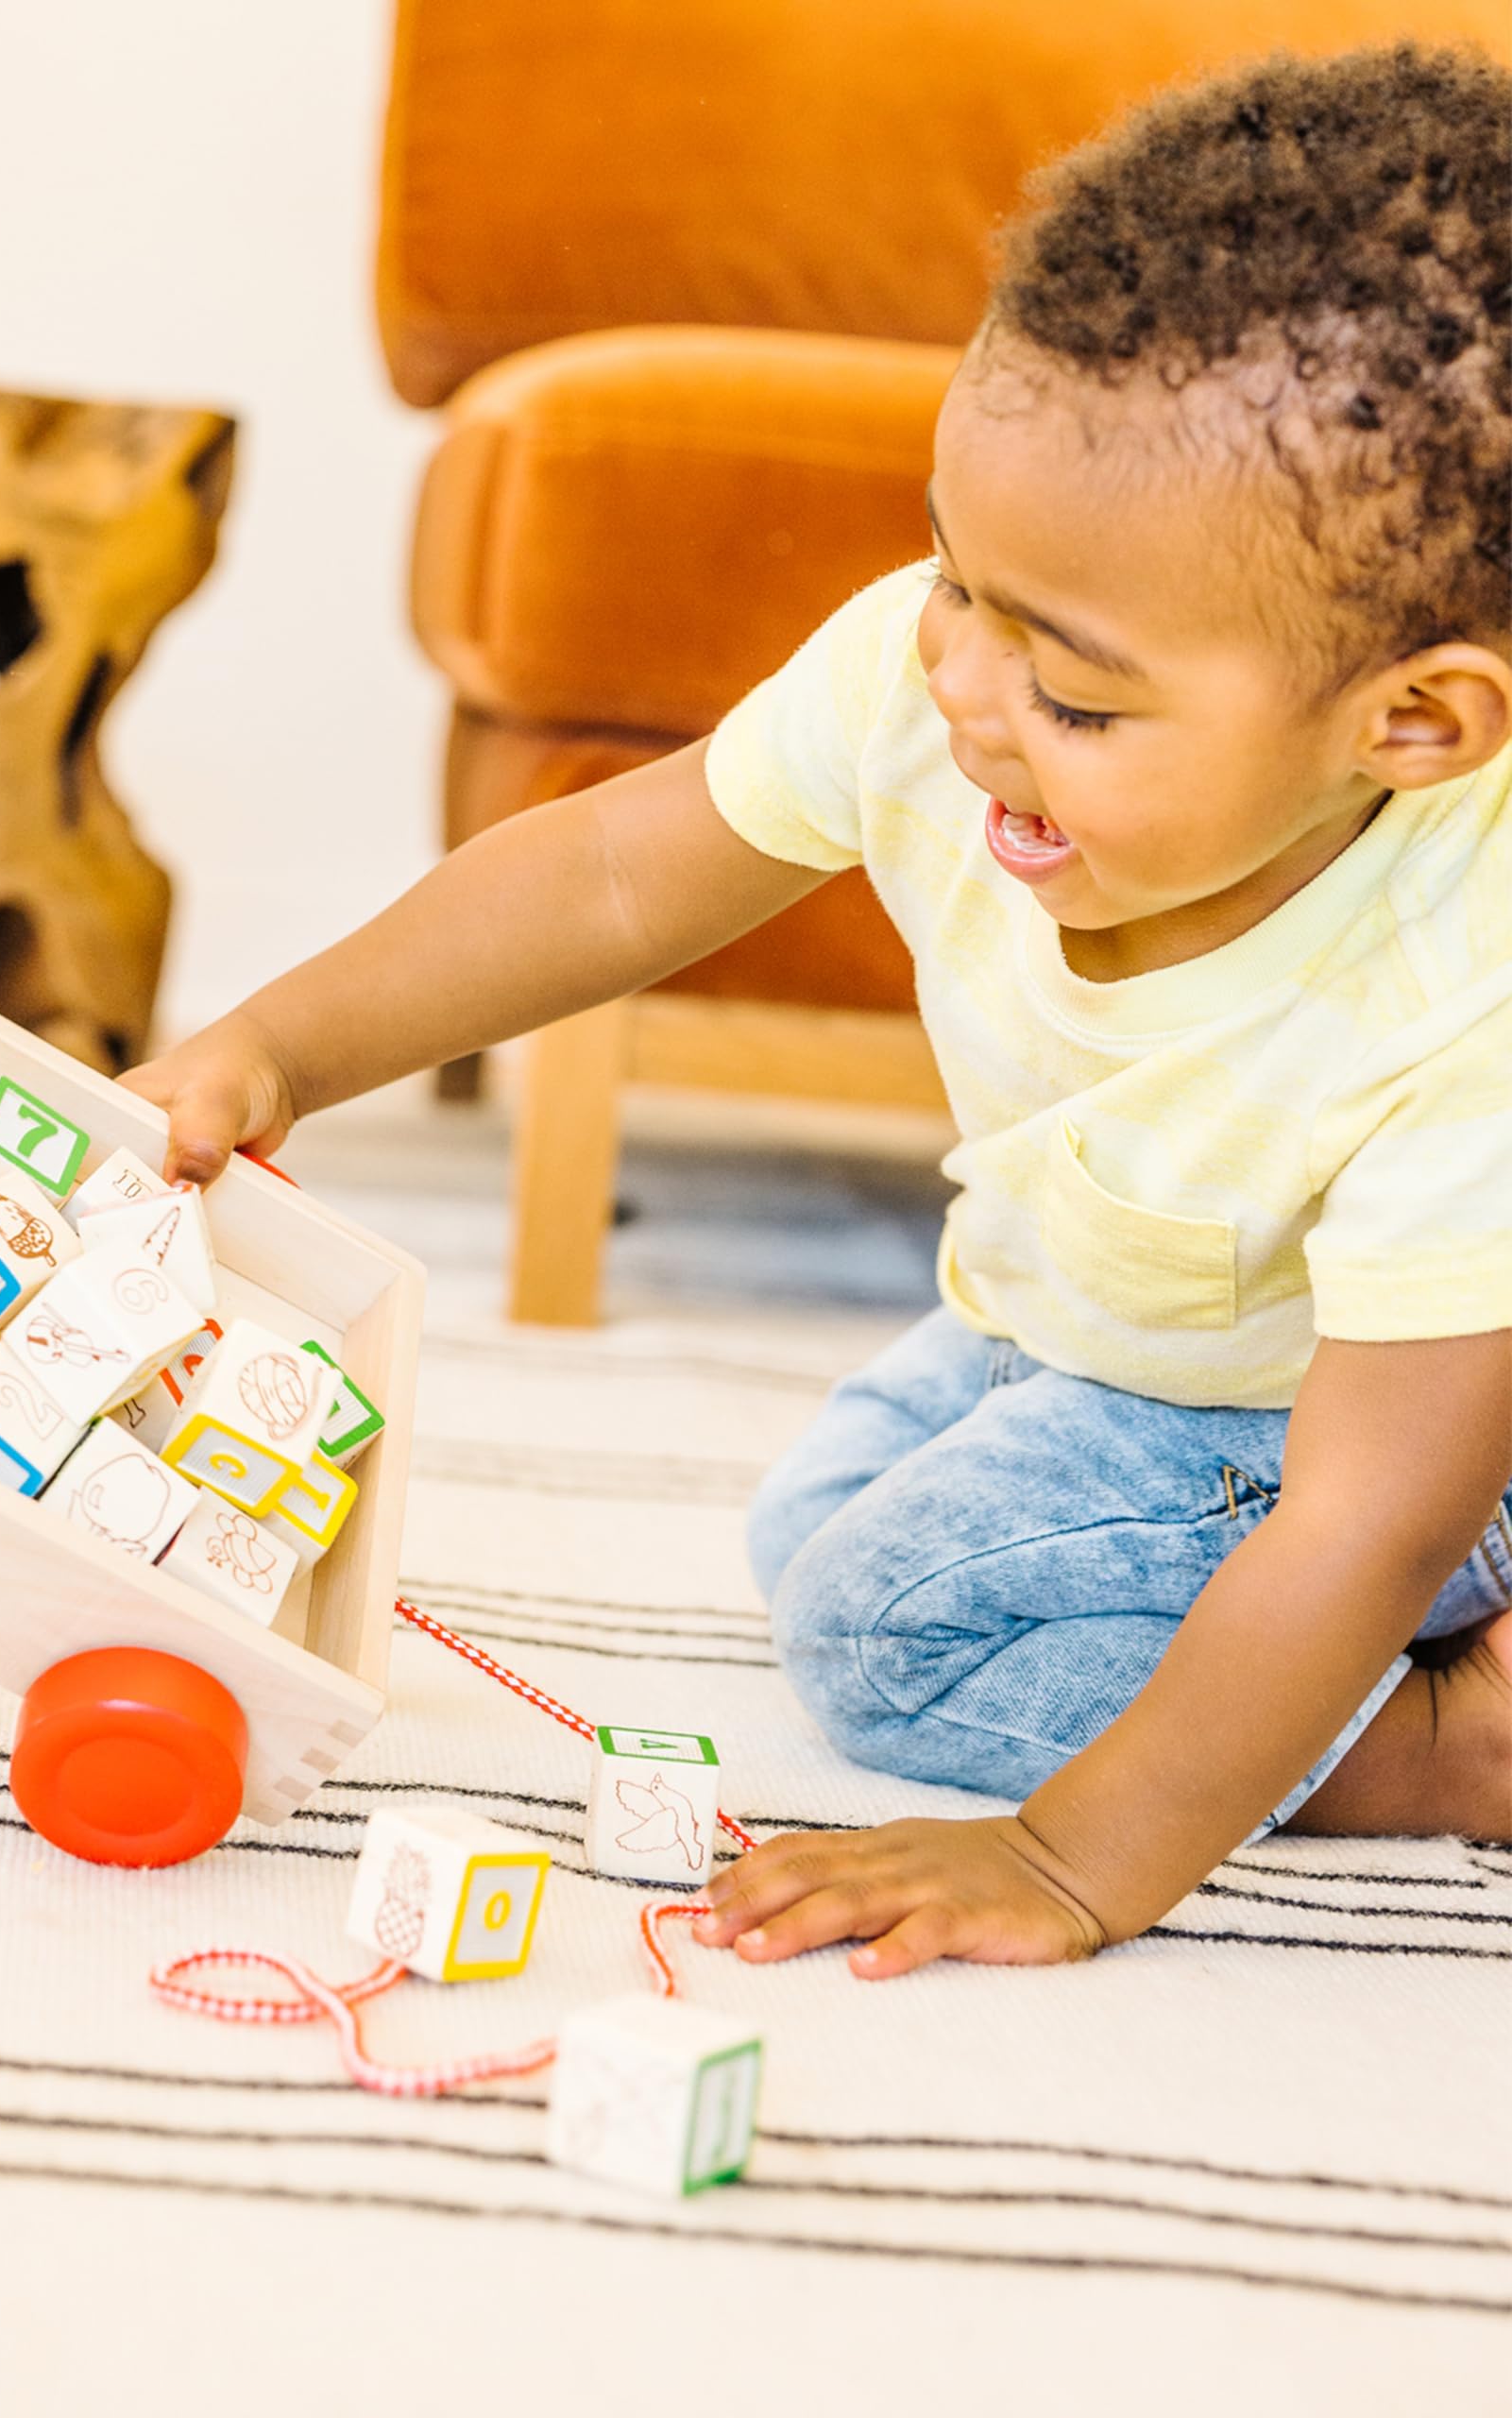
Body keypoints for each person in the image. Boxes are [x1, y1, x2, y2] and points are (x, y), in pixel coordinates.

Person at [123, 43, 1512, 1974]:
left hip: (1402, 1412)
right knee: (816, 1525)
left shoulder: (1463, 1010)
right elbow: (617, 868)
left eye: (1078, 701)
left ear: (1410, 724)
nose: (959, 691)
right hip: (1110, 1329)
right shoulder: (948, 677)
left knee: (882, 1633)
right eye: (954, 577)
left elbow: (1365, 1512)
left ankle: (1463, 1736)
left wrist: (1062, 1855)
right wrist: (284, 1044)